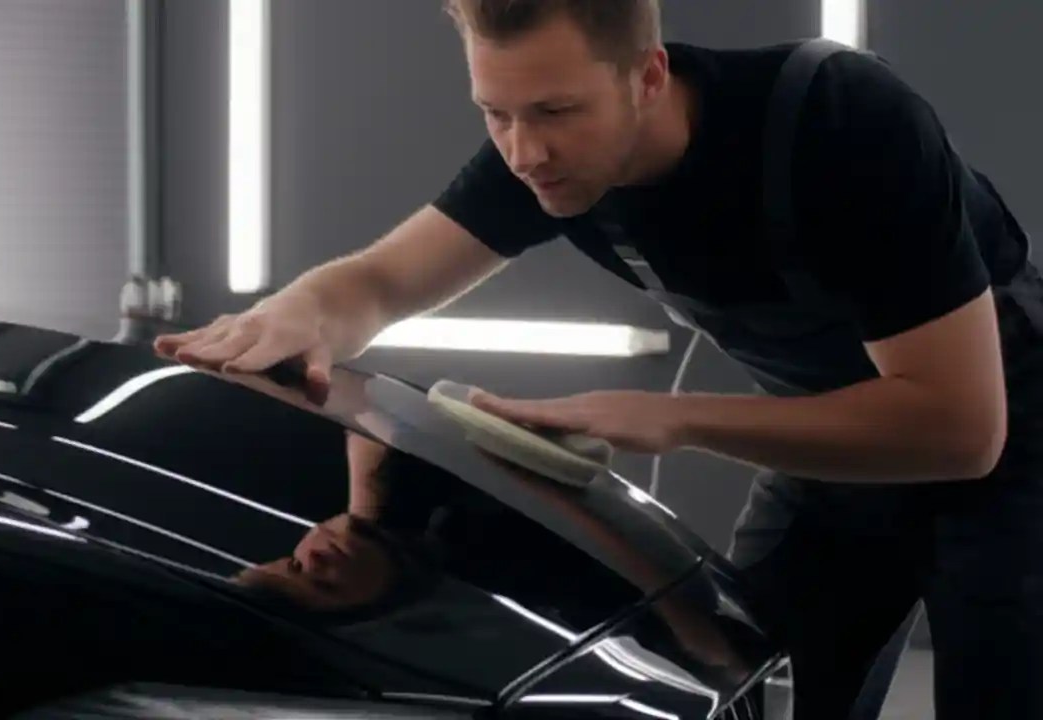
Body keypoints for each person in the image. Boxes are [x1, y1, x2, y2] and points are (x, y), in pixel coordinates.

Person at [155, 1, 1043, 717]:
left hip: (1014, 448)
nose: (523, 151)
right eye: (494, 114)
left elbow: (962, 433)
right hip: (834, 440)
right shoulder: (541, 160)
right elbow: (382, 282)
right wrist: (299, 312)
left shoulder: (840, 119)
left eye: (554, 112)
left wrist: (671, 417)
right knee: (729, 679)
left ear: (648, 77)